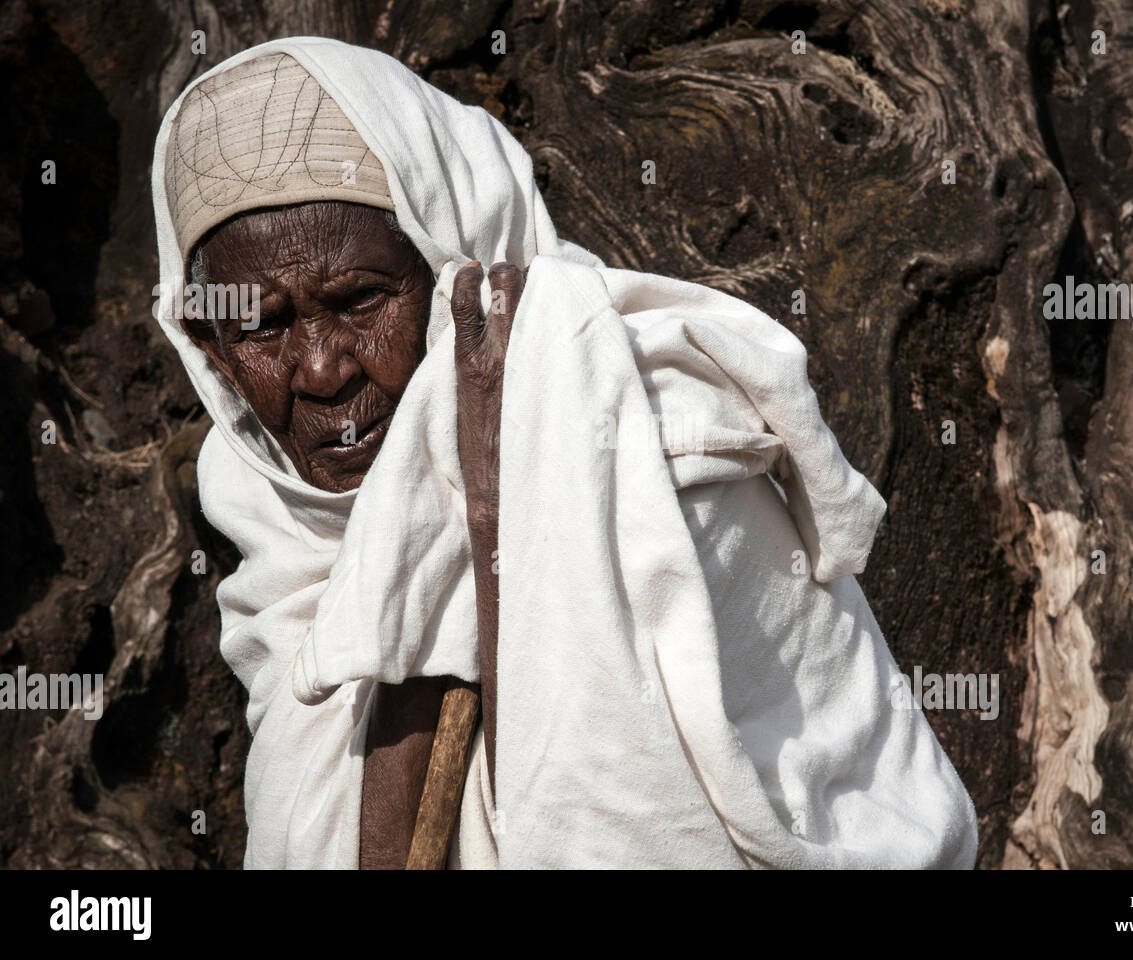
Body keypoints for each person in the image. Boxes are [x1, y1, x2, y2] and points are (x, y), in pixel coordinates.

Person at [152, 37, 979, 869]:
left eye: (363, 299)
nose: (324, 369)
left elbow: (648, 826)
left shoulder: (656, 443)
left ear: (455, 259)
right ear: (210, 348)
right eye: (263, 325)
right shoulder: (268, 520)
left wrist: (496, 521)